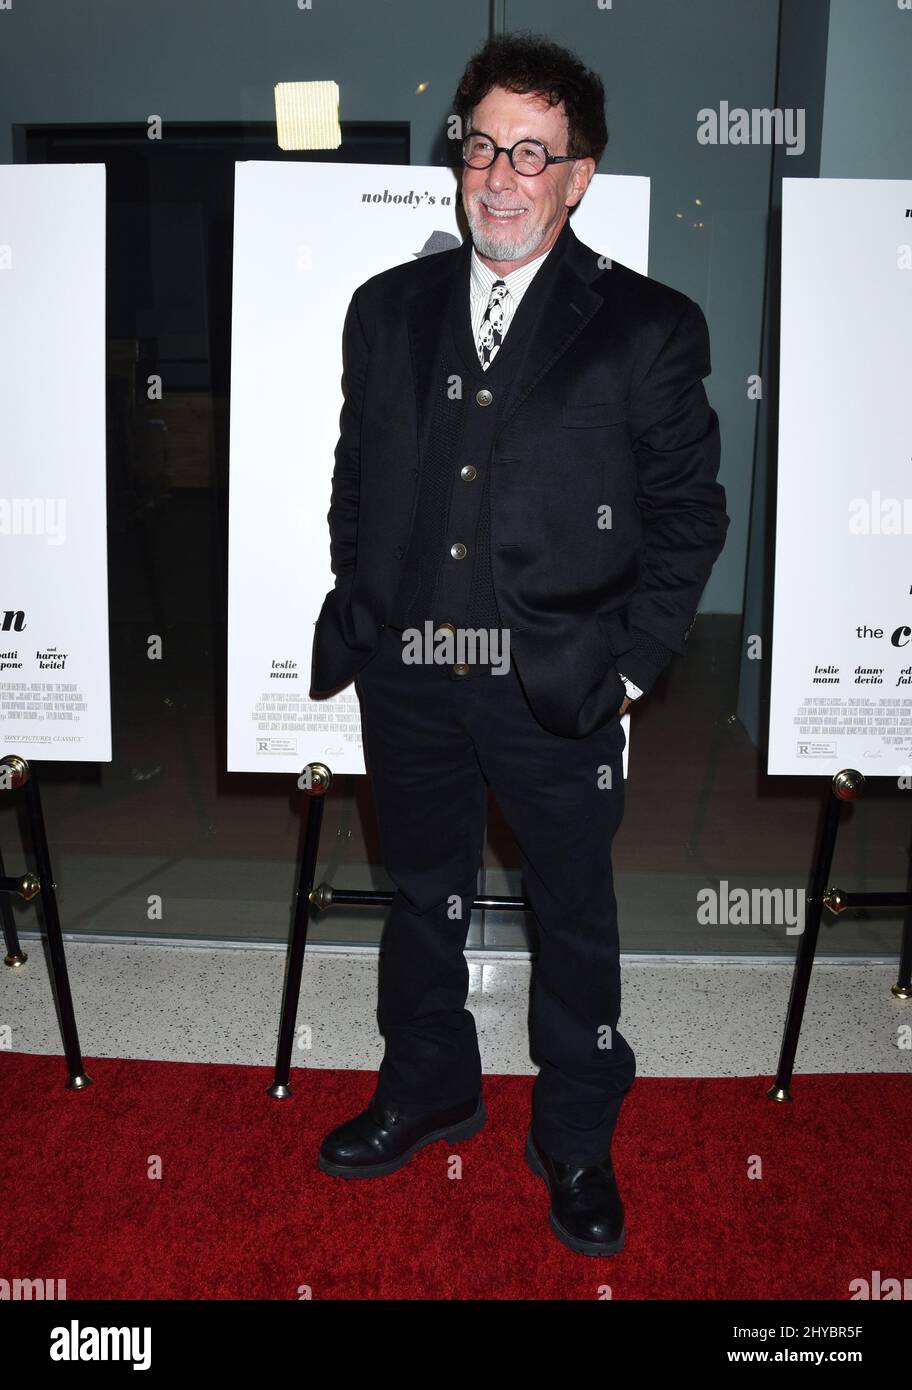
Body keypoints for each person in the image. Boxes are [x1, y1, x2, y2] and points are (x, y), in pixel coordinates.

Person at [309, 31, 729, 1257]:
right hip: (410, 678)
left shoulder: (647, 327)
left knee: (573, 916)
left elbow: (690, 516)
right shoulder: (386, 310)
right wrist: (368, 594)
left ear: (579, 175)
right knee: (420, 897)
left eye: (533, 153)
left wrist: (634, 666)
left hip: (558, 686)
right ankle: (431, 1079)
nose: (501, 174)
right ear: (461, 152)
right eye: (484, 144)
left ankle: (578, 1135)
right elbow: (355, 474)